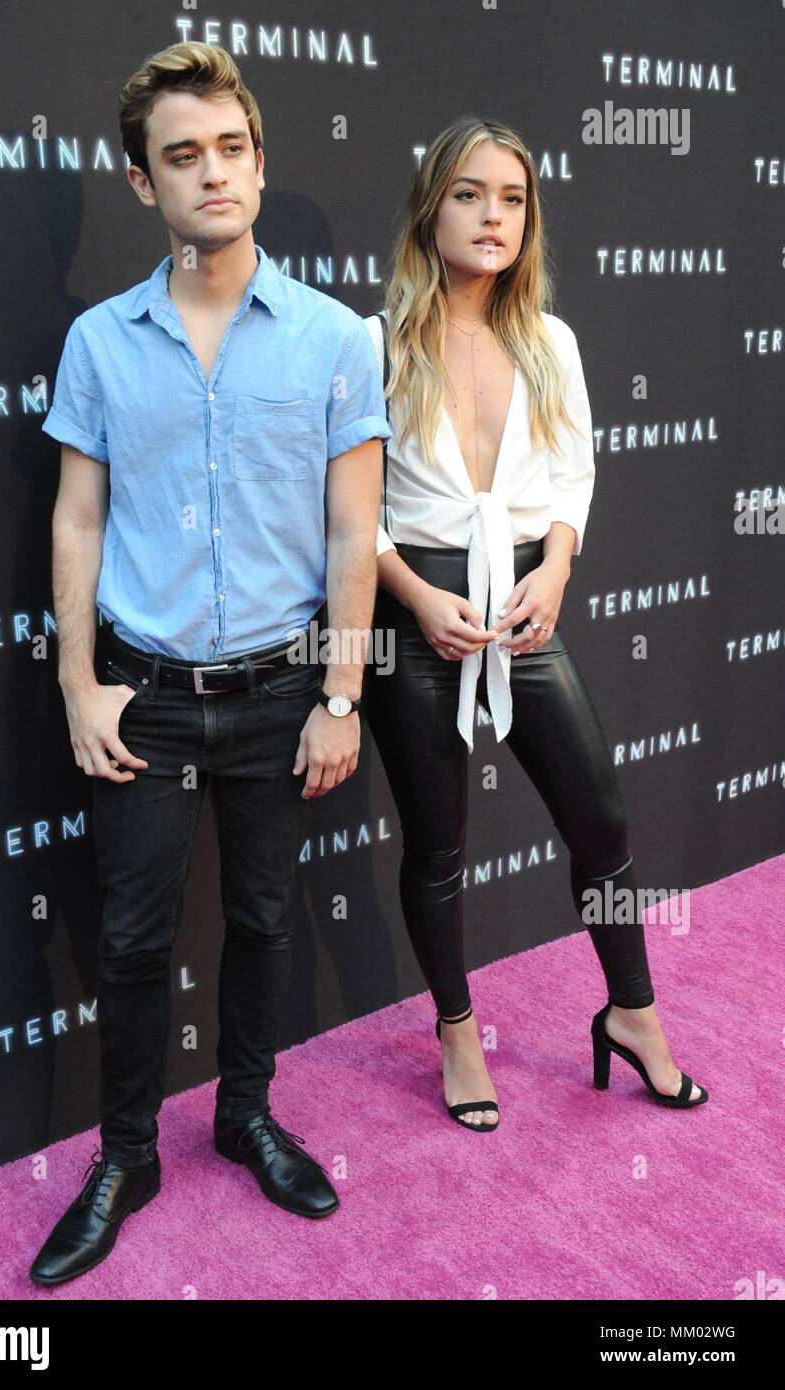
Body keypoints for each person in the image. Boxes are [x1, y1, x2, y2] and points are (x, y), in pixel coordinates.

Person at [29, 41, 390, 1286]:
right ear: (143, 184)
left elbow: (356, 528)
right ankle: (126, 1153)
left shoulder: (338, 338)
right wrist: (79, 682)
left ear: (257, 156)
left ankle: (244, 1115)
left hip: (286, 689)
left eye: (231, 148)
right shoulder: (99, 342)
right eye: (182, 156)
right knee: (129, 941)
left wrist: (343, 692)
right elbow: (76, 518)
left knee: (263, 918)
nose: (213, 174)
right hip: (144, 693)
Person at [361, 117, 708, 1133]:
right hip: (414, 602)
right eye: (469, 194)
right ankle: (457, 1030)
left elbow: (570, 472)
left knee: (598, 819)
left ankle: (632, 1012)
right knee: (438, 843)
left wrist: (555, 564)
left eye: (510, 199)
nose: (491, 216)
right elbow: (342, 505)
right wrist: (414, 599)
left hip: (520, 602)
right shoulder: (371, 339)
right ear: (431, 205)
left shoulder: (547, 340)